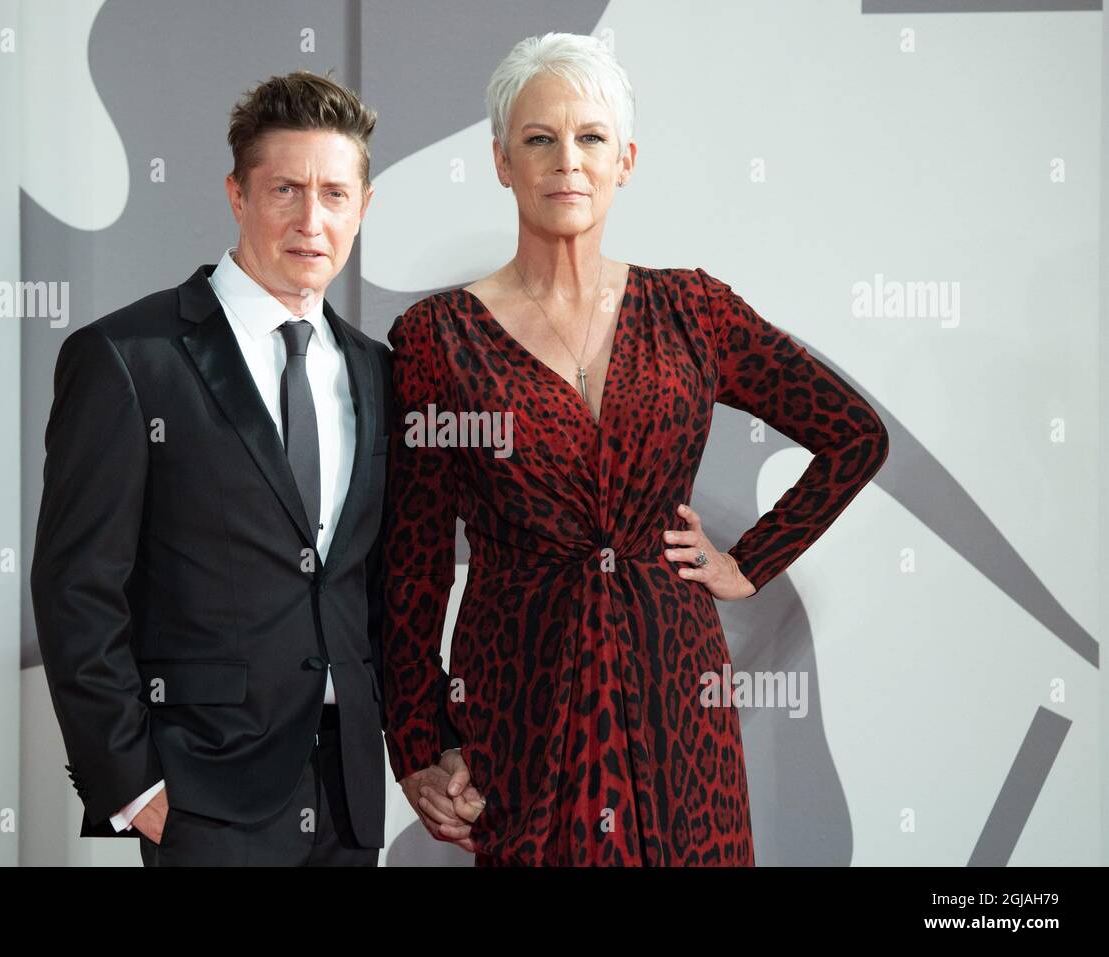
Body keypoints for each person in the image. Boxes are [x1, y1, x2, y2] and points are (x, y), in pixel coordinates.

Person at [381, 33, 890, 866]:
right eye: (539, 138)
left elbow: (853, 436)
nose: (566, 162)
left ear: (626, 159)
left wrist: (750, 560)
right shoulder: (438, 338)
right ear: (503, 161)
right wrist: (419, 740)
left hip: (677, 690)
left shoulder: (695, 310)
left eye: (590, 138)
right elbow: (413, 564)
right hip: (521, 702)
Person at [31, 70, 393, 865]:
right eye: (285, 190)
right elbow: (76, 586)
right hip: (204, 794)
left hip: (349, 792)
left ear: (362, 207)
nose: (311, 219)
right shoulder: (129, 359)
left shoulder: (377, 371)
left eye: (335, 193)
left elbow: (369, 585)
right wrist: (130, 784)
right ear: (236, 195)